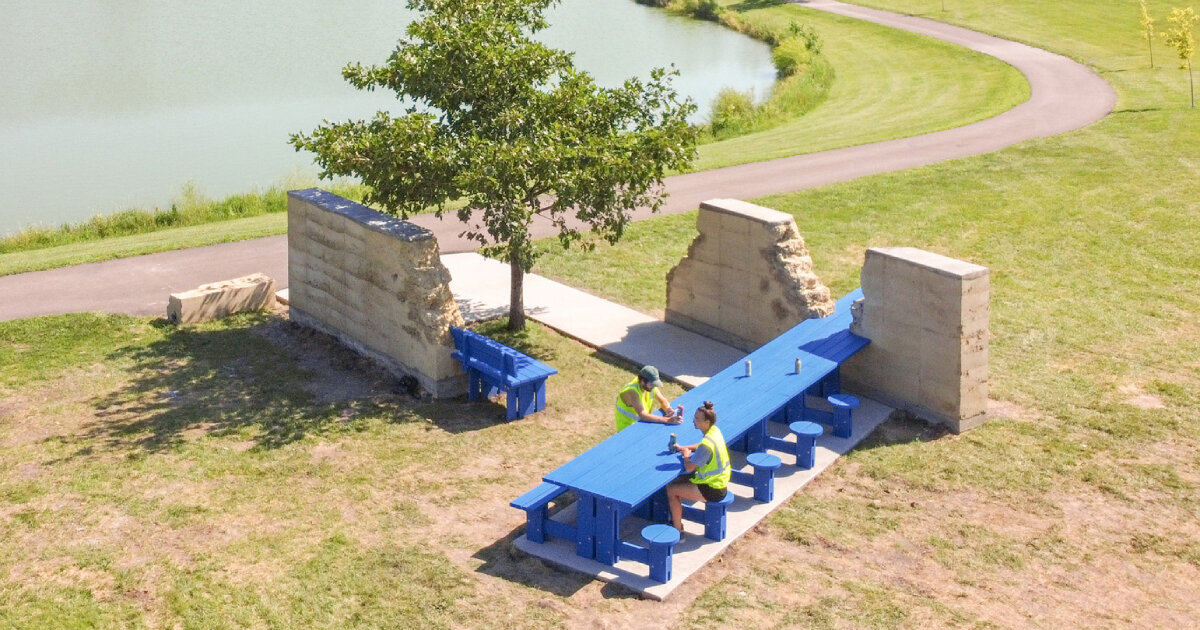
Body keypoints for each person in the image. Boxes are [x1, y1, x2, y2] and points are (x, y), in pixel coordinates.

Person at [666, 400, 730, 536]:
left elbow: (689, 467)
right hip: (720, 482)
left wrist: (685, 455)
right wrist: (686, 447)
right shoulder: (715, 431)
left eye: (697, 419)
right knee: (677, 482)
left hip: (712, 489)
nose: (694, 421)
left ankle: (678, 529)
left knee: (671, 489)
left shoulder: (707, 444)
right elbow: (701, 446)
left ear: (706, 422)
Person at [614, 365, 681, 432]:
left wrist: (668, 409)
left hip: (640, 425)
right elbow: (643, 415)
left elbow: (662, 400)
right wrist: (667, 420)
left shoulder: (649, 386)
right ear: (643, 381)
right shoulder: (632, 392)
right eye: (652, 384)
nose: (654, 386)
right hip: (626, 429)